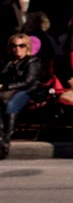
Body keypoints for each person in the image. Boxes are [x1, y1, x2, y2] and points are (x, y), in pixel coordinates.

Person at [1, 31, 46, 159]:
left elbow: (29, 81)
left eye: (21, 45)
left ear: (27, 47)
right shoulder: (9, 62)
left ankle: (6, 139)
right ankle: (1, 137)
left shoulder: (33, 61)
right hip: (11, 90)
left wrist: (6, 86)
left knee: (11, 104)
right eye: (14, 46)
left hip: (29, 91)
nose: (17, 49)